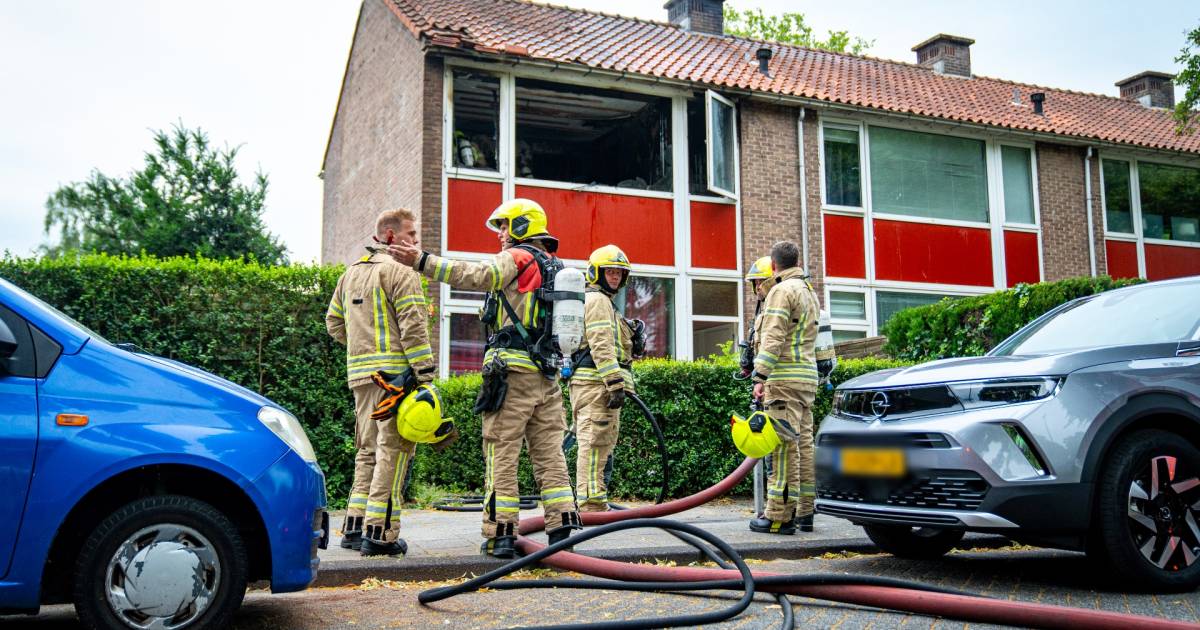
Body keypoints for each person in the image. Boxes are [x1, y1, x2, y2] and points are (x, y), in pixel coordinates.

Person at [387, 199, 582, 558]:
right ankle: (563, 528)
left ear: (524, 227)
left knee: (501, 452)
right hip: (548, 377)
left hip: (511, 376)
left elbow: (475, 276)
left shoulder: (519, 258)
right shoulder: (558, 266)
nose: (501, 235)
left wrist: (420, 260)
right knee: (550, 455)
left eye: (506, 226)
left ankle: (501, 534)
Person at [325, 208, 435, 556]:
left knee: (367, 452)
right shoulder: (402, 272)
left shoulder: (350, 274)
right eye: (411, 235)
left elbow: (333, 324)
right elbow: (414, 327)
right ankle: (381, 533)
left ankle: (354, 528)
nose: (416, 242)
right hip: (396, 381)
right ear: (390, 237)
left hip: (361, 377)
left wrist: (363, 349)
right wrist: (425, 377)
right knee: (394, 452)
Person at [747, 241, 821, 535]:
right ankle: (805, 512)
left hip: (784, 381)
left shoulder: (781, 291)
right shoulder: (809, 292)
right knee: (804, 446)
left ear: (774, 266)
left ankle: (779, 516)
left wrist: (759, 375)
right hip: (806, 381)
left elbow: (774, 337)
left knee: (782, 448)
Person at [570, 245, 636, 512]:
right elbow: (600, 343)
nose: (615, 277)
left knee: (601, 442)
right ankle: (591, 505)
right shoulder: (597, 300)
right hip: (596, 385)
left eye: (619, 273)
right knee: (594, 442)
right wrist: (615, 382)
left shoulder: (605, 302)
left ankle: (596, 500)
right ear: (596, 272)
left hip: (597, 384)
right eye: (610, 271)